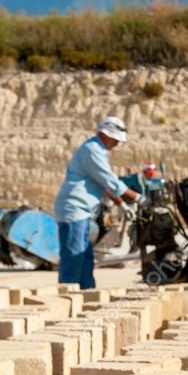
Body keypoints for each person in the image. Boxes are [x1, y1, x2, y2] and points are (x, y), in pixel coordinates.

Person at [54, 115, 139, 289]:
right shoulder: (92, 150)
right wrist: (138, 197)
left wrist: (121, 204)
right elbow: (110, 181)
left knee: (85, 259)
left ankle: (87, 296)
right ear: (106, 134)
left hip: (83, 212)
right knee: (74, 258)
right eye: (115, 140)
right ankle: (65, 299)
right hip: (74, 209)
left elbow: (102, 184)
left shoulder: (98, 151)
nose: (117, 144)